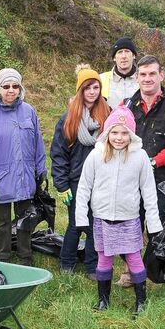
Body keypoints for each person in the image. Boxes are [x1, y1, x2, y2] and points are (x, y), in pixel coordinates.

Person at [75, 107, 162, 316]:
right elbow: (84, 187)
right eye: (114, 132)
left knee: (134, 258)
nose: (119, 137)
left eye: (124, 133)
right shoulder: (96, 155)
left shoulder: (140, 157)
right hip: (102, 217)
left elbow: (149, 191)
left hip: (128, 219)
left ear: (131, 134)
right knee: (104, 258)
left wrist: (153, 223)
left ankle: (141, 302)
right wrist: (81, 217)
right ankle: (103, 300)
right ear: (107, 132)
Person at [116, 55, 165, 288]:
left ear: (162, 76)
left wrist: (155, 161)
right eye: (143, 74)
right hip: (130, 179)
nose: (147, 78)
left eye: (152, 74)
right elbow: (114, 135)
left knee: (159, 226)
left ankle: (156, 271)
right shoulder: (126, 106)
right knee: (129, 225)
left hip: (163, 180)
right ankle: (130, 270)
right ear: (137, 77)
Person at [0, 68, 47, 266]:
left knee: (25, 219)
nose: (11, 90)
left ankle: (25, 257)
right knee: (3, 222)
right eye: (6, 86)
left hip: (25, 176)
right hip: (0, 178)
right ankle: (4, 258)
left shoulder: (29, 111)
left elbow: (38, 142)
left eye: (15, 86)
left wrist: (41, 170)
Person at [50, 65, 110, 278]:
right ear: (80, 91)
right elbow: (58, 154)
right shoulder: (69, 119)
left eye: (95, 87)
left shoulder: (108, 115)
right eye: (87, 88)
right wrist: (62, 185)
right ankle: (67, 263)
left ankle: (93, 266)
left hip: (101, 180)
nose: (92, 92)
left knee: (96, 224)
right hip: (76, 180)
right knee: (76, 223)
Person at [99, 37, 139, 109]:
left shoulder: (143, 79)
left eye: (127, 51)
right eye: (120, 52)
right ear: (114, 58)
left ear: (134, 55)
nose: (124, 56)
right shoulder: (100, 79)